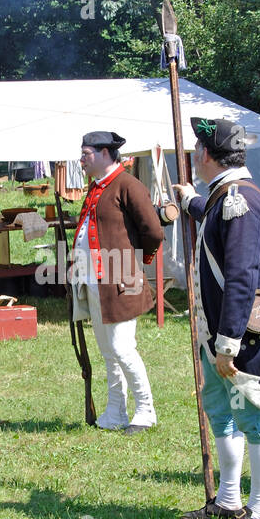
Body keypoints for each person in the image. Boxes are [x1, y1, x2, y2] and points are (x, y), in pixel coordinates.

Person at [174, 117, 260, 519]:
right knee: (222, 410)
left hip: (240, 338)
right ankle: (228, 499)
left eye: (196, 149)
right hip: (221, 333)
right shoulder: (225, 196)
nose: (193, 155)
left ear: (206, 154)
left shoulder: (238, 200)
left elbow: (241, 277)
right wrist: (190, 200)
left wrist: (227, 345)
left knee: (254, 418)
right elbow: (214, 220)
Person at [70, 131, 165, 434]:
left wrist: (136, 263)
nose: (81, 159)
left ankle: (146, 410)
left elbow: (153, 232)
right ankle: (115, 411)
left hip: (122, 280)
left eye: (86, 153)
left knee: (123, 348)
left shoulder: (128, 185)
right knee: (109, 352)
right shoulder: (96, 188)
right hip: (96, 281)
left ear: (104, 153)